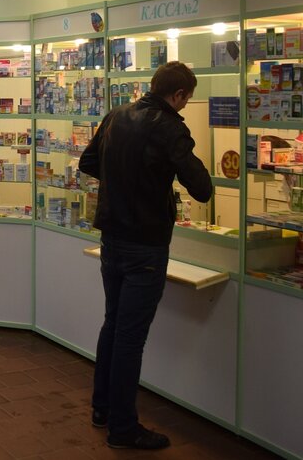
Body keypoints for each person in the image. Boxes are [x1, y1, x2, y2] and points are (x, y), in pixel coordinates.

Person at [78, 61, 212, 450]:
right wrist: (156, 182)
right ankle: (123, 428)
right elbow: (202, 187)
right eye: (186, 99)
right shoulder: (170, 127)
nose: (185, 106)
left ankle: (102, 409)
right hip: (146, 246)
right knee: (130, 337)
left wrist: (124, 183)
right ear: (179, 94)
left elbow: (89, 162)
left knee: (113, 324)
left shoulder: (117, 115)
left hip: (113, 238)